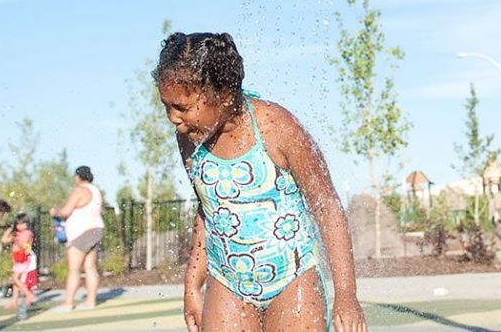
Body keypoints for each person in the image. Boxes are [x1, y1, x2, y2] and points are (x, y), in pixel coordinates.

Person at [153, 31, 366, 332]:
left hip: (293, 277)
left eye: (182, 108)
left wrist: (346, 295)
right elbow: (208, 209)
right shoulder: (189, 140)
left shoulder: (277, 127)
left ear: (224, 95)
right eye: (167, 106)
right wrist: (192, 284)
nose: (173, 118)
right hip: (227, 280)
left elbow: (327, 206)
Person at [50, 164, 105, 311]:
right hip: (96, 229)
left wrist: (55, 212)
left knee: (74, 269)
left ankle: (68, 303)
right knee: (90, 267)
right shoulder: (96, 191)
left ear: (78, 177)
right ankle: (91, 301)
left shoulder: (79, 190)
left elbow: (66, 211)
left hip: (81, 233)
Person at [3, 213, 37, 319]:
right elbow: (4, 240)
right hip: (18, 259)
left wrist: (16, 242)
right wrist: (10, 230)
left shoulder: (27, 233)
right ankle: (14, 301)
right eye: (17, 224)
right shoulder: (17, 234)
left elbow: (24, 244)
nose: (20, 226)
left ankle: (28, 294)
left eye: (22, 223)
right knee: (15, 281)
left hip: (25, 259)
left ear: (27, 224)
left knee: (16, 279)